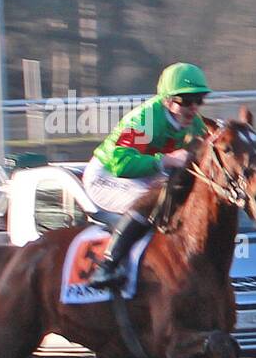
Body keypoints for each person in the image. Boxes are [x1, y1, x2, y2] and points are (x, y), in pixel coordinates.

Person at [82, 62, 211, 288]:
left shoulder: (195, 125)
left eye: (198, 101)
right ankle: (106, 267)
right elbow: (122, 164)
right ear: (168, 100)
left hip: (143, 176)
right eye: (186, 101)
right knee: (151, 201)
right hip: (107, 176)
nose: (193, 108)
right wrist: (166, 160)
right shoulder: (146, 122)